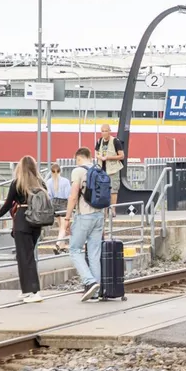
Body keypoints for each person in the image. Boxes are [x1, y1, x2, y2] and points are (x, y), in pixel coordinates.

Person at [0, 156, 51, 304]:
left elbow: (7, 204)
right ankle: (26, 289)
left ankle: (34, 291)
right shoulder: (41, 183)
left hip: (22, 221)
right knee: (24, 256)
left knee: (25, 257)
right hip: (36, 223)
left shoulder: (17, 183)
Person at [64, 147, 104, 302]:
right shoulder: (99, 170)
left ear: (79, 158)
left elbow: (73, 196)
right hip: (99, 215)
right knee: (94, 254)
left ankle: (90, 281)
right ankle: (95, 293)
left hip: (84, 215)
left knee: (74, 249)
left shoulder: (78, 171)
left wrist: (67, 219)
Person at [94, 124, 125, 214]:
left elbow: (122, 156)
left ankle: (113, 210)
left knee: (113, 190)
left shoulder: (115, 141)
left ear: (109, 131)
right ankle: (104, 210)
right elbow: (96, 153)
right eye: (102, 131)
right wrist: (99, 156)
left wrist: (109, 157)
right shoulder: (99, 141)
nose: (104, 133)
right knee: (102, 190)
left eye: (106, 131)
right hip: (101, 169)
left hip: (113, 170)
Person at [46, 163, 71, 254]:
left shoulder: (48, 182)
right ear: (61, 171)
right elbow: (69, 195)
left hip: (54, 203)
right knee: (63, 227)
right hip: (64, 203)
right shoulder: (65, 181)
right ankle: (57, 244)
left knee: (61, 226)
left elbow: (49, 195)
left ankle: (62, 247)